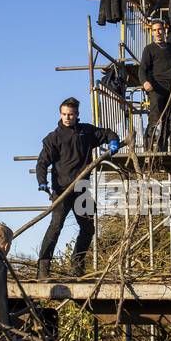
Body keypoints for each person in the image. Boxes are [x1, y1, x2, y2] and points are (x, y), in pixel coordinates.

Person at [35, 97, 120, 280]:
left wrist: (114, 142)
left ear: (77, 115)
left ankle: (77, 266)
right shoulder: (53, 138)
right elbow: (42, 162)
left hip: (82, 189)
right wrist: (42, 181)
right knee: (56, 226)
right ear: (60, 114)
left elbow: (108, 133)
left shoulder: (86, 132)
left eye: (71, 114)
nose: (67, 117)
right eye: (64, 114)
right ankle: (43, 268)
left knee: (88, 228)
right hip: (62, 190)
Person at [138, 20, 171, 152]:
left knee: (167, 118)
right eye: (154, 30)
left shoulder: (170, 47)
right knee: (154, 118)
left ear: (164, 31)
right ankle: (148, 147)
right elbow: (142, 69)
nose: (157, 32)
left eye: (159, 29)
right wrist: (145, 82)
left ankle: (162, 148)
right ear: (152, 32)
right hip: (156, 88)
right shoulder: (149, 49)